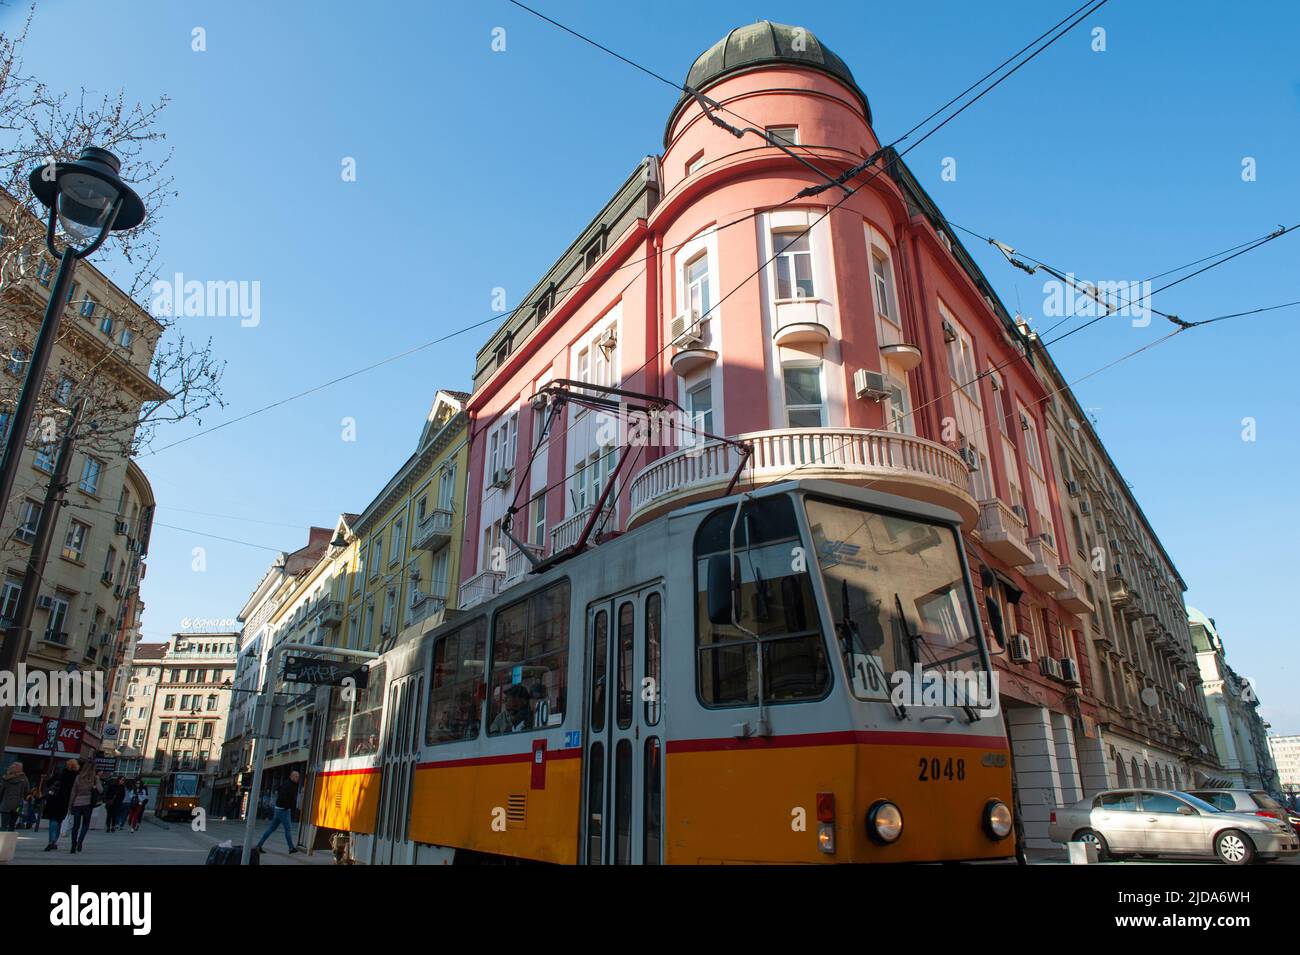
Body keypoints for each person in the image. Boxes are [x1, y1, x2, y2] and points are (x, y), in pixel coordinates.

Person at [254, 770, 300, 855]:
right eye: (296, 776)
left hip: (278, 809)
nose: (297, 778)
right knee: (288, 829)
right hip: (283, 810)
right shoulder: (289, 785)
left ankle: (258, 846)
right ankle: (291, 848)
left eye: (298, 777)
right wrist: (287, 806)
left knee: (271, 828)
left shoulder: (286, 783)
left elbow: (279, 791)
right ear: (291, 776)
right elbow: (286, 798)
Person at [41, 759, 78, 851]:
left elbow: (48, 783)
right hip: (65, 801)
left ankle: (51, 840)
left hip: (54, 799)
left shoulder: (60, 774)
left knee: (53, 820)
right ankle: (54, 841)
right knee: (59, 820)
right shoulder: (76, 777)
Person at [67, 760, 102, 854]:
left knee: (75, 825)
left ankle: (73, 844)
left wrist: (70, 804)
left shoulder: (78, 777)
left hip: (77, 803)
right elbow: (100, 790)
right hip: (88, 803)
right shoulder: (94, 778)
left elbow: (73, 791)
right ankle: (80, 841)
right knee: (85, 824)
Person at [0, 762, 30, 831]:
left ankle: (2, 837)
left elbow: (1, 791)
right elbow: (27, 791)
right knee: (12, 824)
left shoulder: (6, 778)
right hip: (18, 805)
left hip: (6, 805)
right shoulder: (24, 778)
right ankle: (10, 836)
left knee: (4, 825)